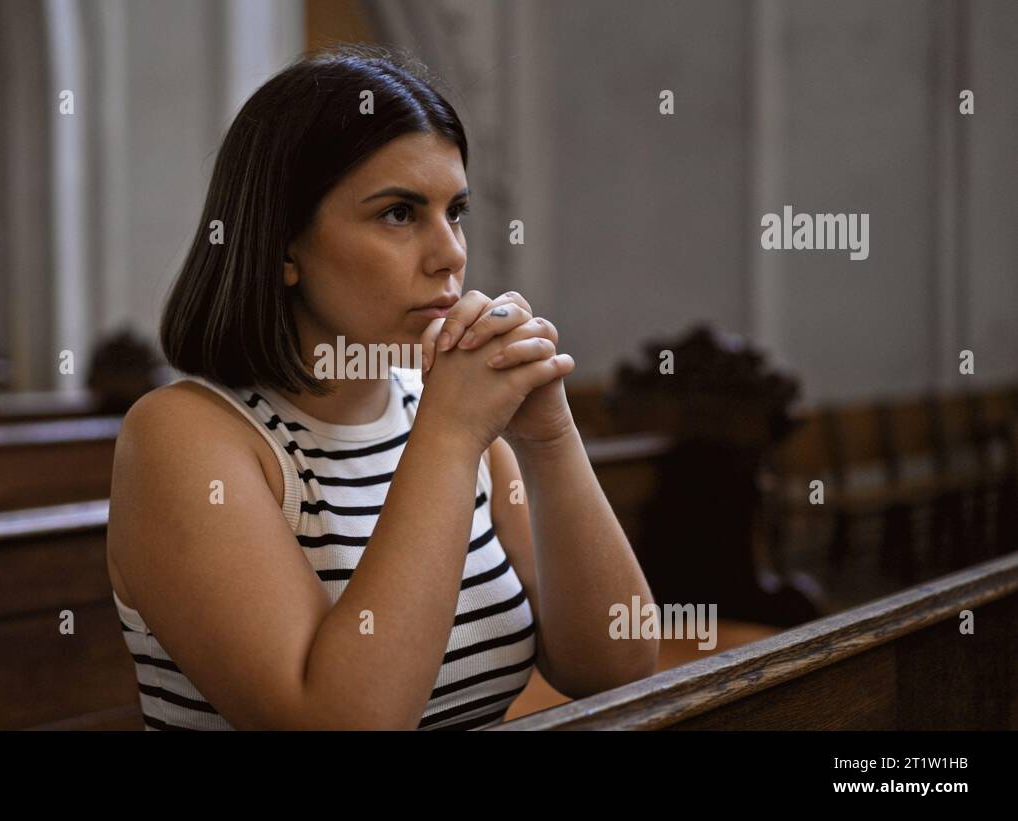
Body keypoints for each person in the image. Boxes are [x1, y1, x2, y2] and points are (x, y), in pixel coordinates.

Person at [106, 43, 658, 731]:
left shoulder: (446, 417)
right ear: (284, 245)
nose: (451, 252)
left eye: (454, 211)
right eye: (399, 213)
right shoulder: (183, 438)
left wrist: (547, 436)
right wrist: (452, 436)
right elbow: (338, 721)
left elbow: (616, 662)